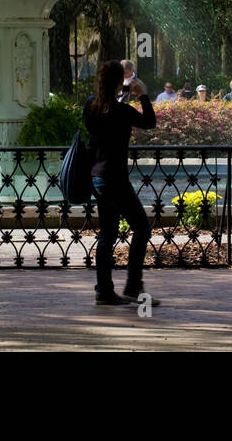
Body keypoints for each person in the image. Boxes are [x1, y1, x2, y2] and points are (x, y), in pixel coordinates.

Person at [84, 59, 159, 307]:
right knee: (142, 227)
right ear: (119, 82)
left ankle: (104, 291)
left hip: (97, 177)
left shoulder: (91, 106)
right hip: (116, 178)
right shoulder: (122, 112)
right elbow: (149, 122)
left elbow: (102, 124)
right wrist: (143, 95)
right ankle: (133, 287)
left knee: (107, 235)